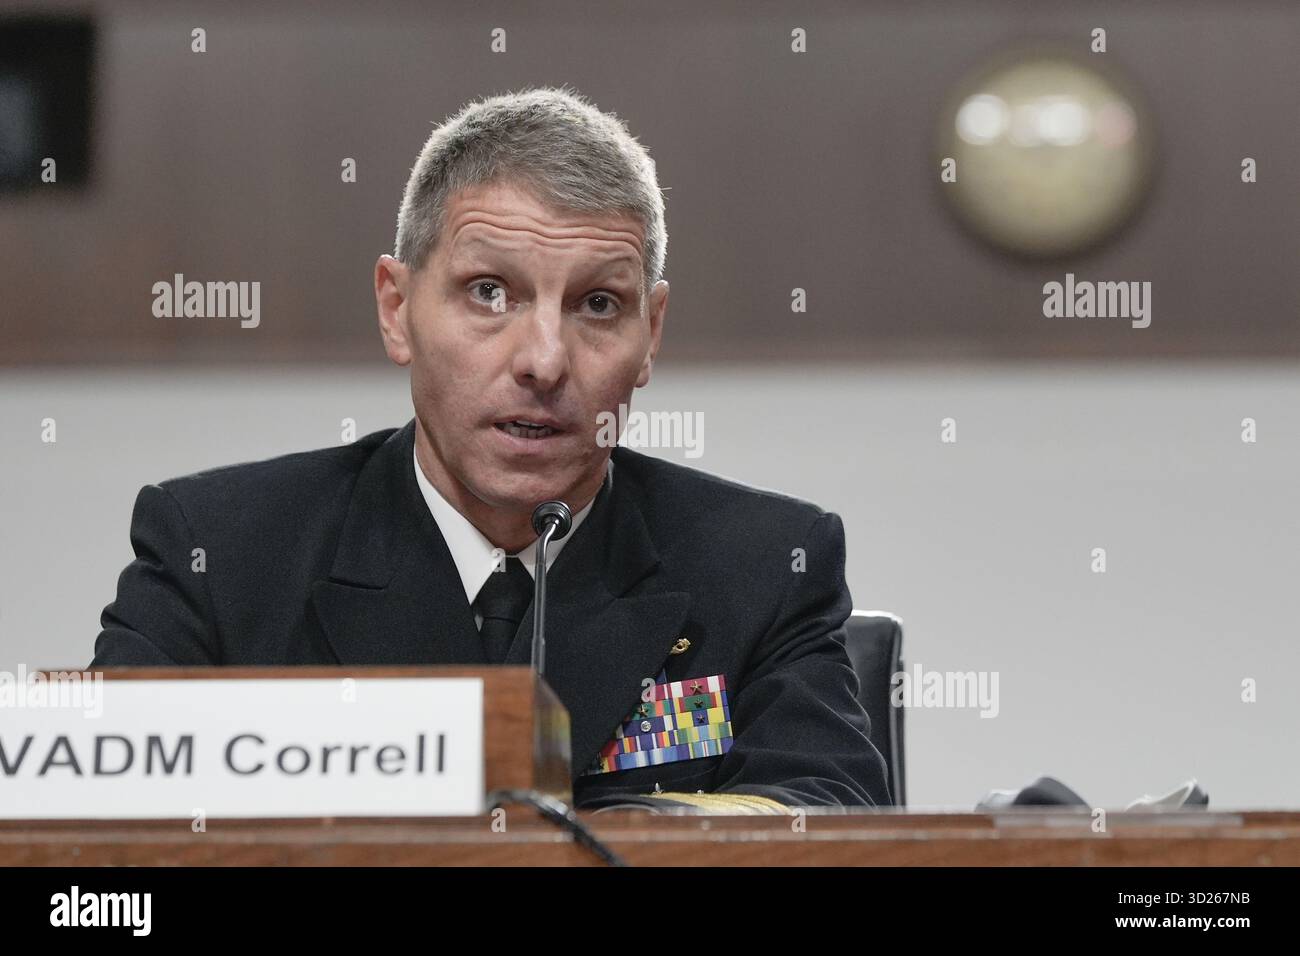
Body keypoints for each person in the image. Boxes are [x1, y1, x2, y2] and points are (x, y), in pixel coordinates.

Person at [93, 86, 890, 812]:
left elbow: (829, 817)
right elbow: (97, 821)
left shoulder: (766, 564)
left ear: (650, 335)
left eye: (598, 304)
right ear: (398, 308)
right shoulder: (219, 553)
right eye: (489, 293)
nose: (543, 360)